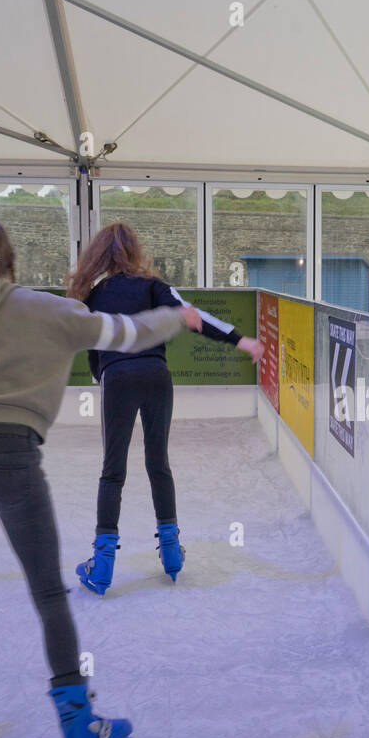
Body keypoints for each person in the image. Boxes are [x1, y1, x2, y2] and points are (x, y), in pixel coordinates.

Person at [0, 215, 202, 738]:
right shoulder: (48, 310)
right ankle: (80, 728)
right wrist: (177, 315)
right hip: (11, 458)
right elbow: (126, 335)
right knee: (47, 592)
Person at [68, 223, 262, 595]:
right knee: (158, 463)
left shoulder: (93, 294)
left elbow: (88, 345)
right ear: (135, 249)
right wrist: (241, 340)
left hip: (117, 377)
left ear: (98, 255)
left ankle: (103, 563)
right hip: (157, 375)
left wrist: (102, 375)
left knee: (113, 470)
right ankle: (171, 554)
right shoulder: (153, 285)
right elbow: (193, 315)